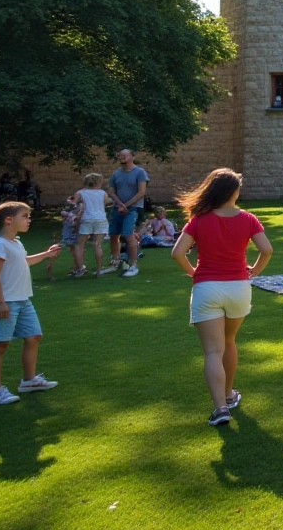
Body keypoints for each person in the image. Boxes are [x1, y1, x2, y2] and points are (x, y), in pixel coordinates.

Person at [170, 168, 273, 426]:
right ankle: (228, 395)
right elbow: (267, 249)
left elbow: (177, 253)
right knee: (229, 341)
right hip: (238, 286)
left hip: (207, 287)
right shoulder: (248, 219)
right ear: (233, 191)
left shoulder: (199, 220)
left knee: (212, 352)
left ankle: (220, 408)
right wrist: (255, 271)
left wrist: (193, 272)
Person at [0, 201, 63, 405]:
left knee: (33, 336)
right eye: (25, 216)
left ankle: (29, 381)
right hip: (4, 303)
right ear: (9, 220)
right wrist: (0, 303)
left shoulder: (16, 243)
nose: (29, 220)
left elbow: (24, 261)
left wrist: (46, 255)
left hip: (23, 300)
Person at [107, 149, 149, 277]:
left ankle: (133, 265)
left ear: (132, 157)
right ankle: (115, 262)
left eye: (125, 155)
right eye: (120, 155)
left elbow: (141, 192)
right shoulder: (116, 174)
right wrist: (120, 204)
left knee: (128, 235)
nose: (122, 157)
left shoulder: (140, 172)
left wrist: (125, 205)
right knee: (114, 235)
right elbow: (110, 191)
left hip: (132, 209)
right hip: (117, 209)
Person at [70, 173, 110, 278]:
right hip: (100, 219)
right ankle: (99, 271)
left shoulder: (80, 193)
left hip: (86, 219)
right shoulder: (103, 193)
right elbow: (105, 203)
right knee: (97, 245)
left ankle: (80, 269)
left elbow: (73, 204)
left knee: (80, 245)